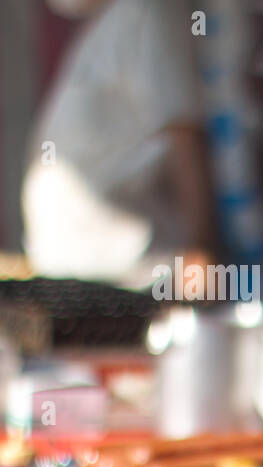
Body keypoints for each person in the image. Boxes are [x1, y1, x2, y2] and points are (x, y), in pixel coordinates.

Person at [21, 0, 219, 289]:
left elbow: (183, 130)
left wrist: (200, 248)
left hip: (131, 285)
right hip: (75, 285)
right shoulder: (102, 27)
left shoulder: (148, 12)